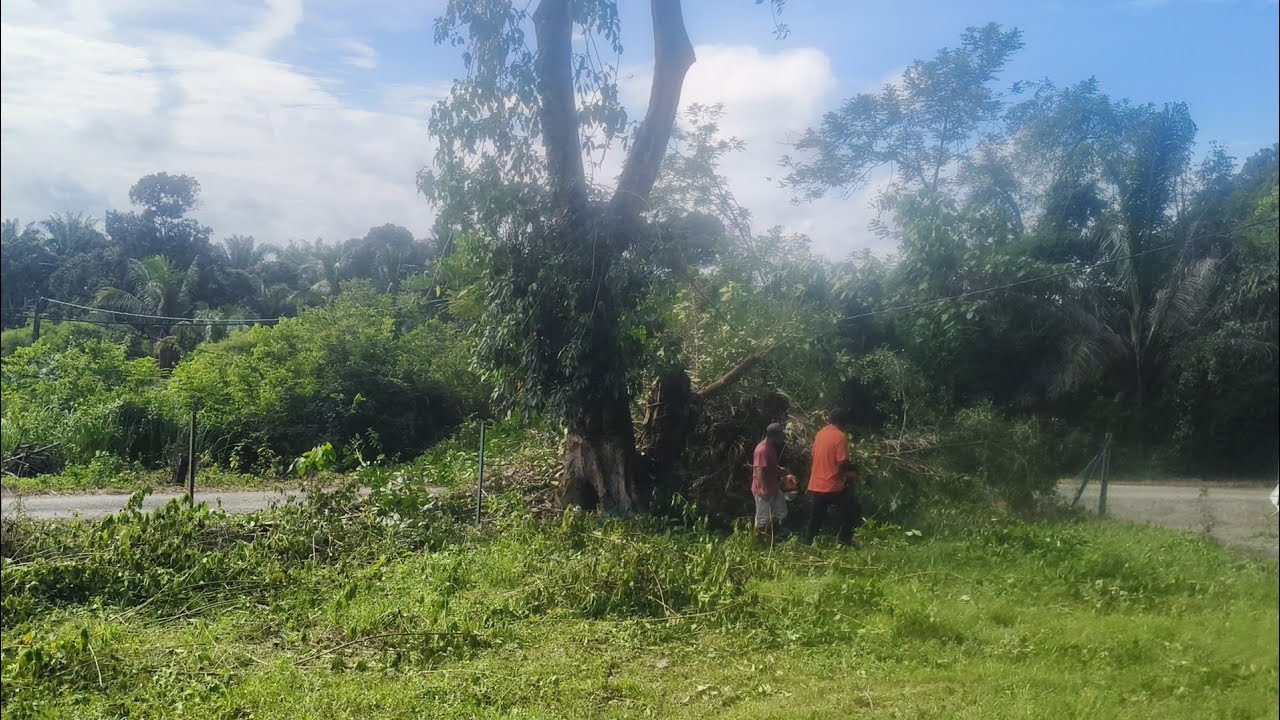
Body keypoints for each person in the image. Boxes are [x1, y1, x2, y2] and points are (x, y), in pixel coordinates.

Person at [804, 408, 862, 546]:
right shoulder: (840, 436)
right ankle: (844, 541)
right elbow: (842, 462)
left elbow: (816, 455)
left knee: (815, 519)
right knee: (852, 510)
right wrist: (853, 470)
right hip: (832, 486)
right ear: (842, 423)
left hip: (816, 484)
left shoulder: (820, 434)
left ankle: (807, 544)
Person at [752, 422, 792, 540]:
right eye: (781, 435)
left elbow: (769, 466)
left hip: (773, 487)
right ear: (774, 436)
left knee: (781, 511)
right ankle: (758, 541)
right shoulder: (762, 450)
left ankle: (774, 535)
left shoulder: (771, 447)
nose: (783, 437)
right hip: (764, 489)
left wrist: (780, 470)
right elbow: (759, 471)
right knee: (762, 518)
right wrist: (763, 489)